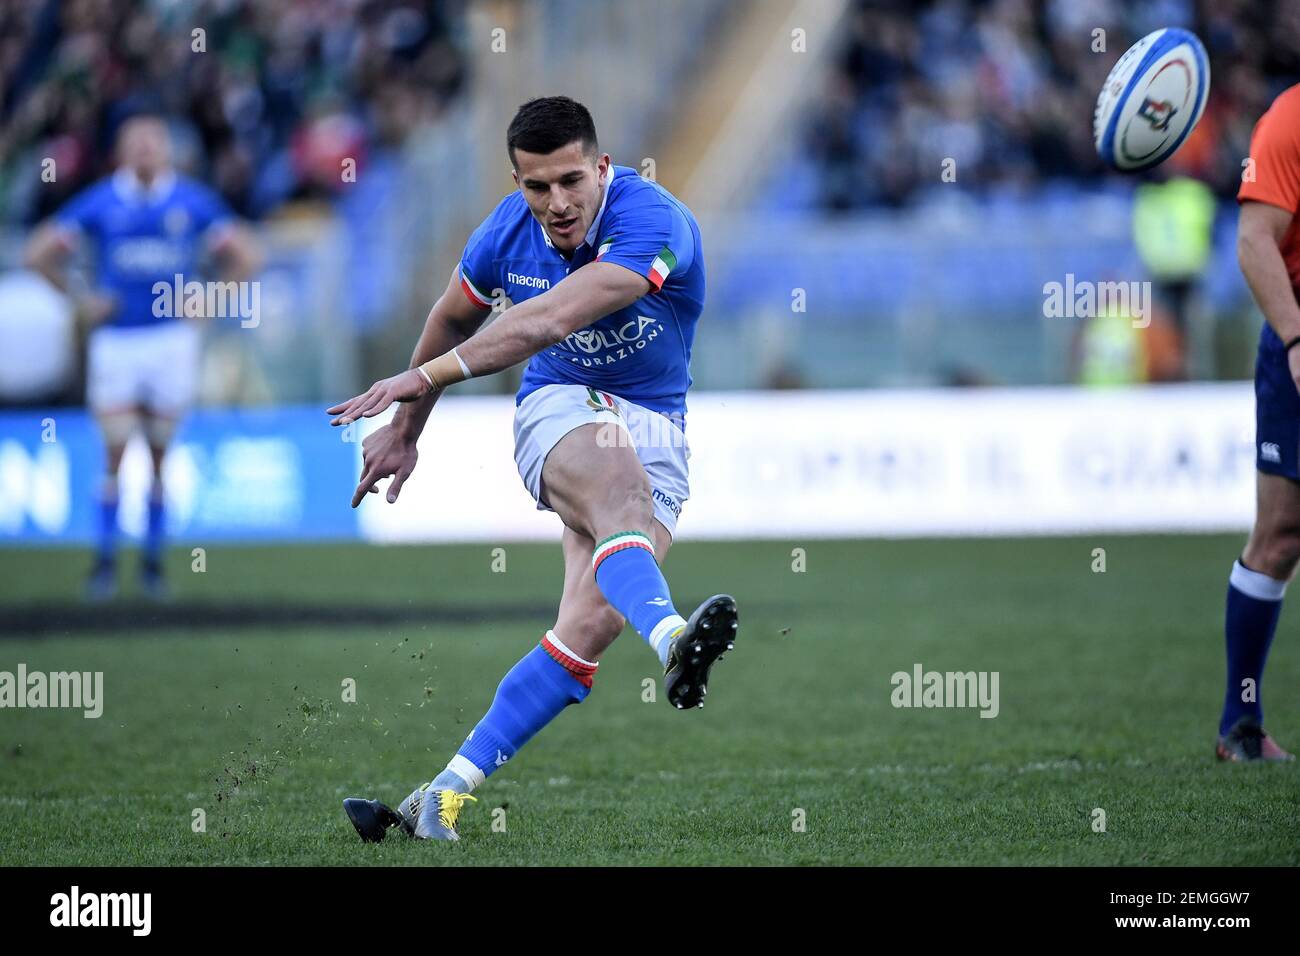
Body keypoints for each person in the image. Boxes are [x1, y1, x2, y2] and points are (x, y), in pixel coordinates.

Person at [332, 96, 738, 842]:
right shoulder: (503, 234)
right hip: (560, 402)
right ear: (517, 182)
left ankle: (439, 798)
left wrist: (419, 382)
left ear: (603, 168)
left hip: (656, 423)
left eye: (571, 181)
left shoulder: (655, 223)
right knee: (619, 496)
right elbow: (455, 315)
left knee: (588, 625)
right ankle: (676, 639)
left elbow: (552, 317)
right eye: (536, 186)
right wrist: (406, 428)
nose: (555, 203)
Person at [25, 114, 260, 599]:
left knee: (158, 454)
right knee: (114, 453)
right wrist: (79, 300)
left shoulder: (190, 200)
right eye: (136, 143)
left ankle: (152, 565)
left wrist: (211, 301)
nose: (146, 151)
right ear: (122, 152)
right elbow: (38, 252)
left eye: (153, 142)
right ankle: (105, 563)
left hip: (171, 340)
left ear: (168, 149)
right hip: (119, 341)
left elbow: (246, 254)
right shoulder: (103, 200)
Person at [1217, 83, 1300, 762]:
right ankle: (1239, 723)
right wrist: (1297, 339)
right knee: (1279, 537)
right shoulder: (1290, 121)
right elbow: (1253, 240)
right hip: (1298, 334)